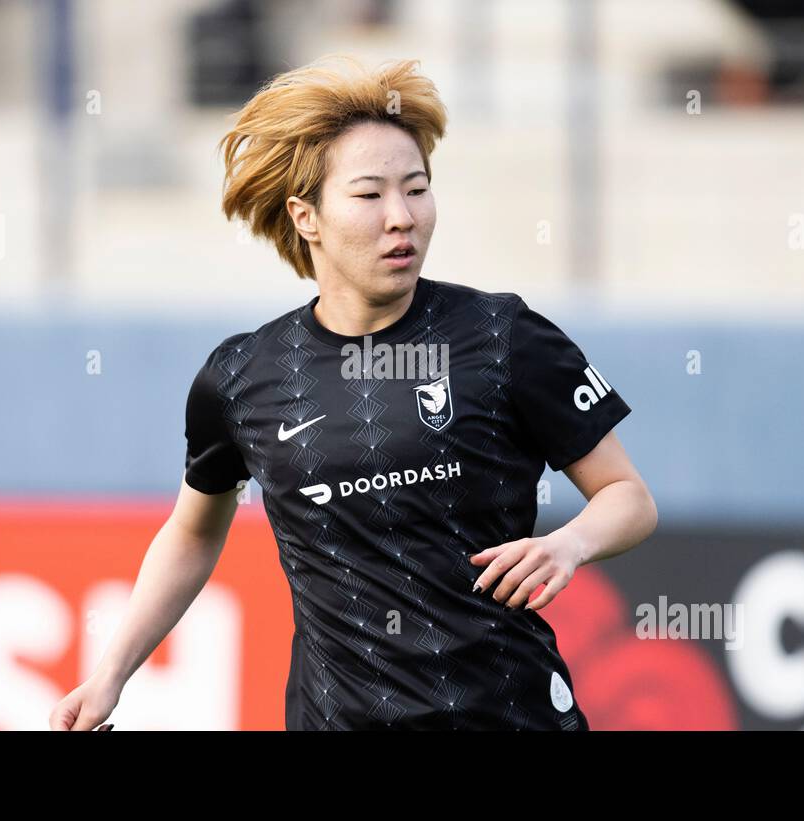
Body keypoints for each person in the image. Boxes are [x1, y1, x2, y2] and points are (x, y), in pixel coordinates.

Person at [50, 55, 657, 731]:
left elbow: (628, 497)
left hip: (506, 715)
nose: (401, 216)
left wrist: (568, 544)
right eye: (370, 196)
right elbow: (192, 534)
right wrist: (110, 675)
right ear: (305, 216)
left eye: (417, 189)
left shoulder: (503, 336)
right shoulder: (243, 375)